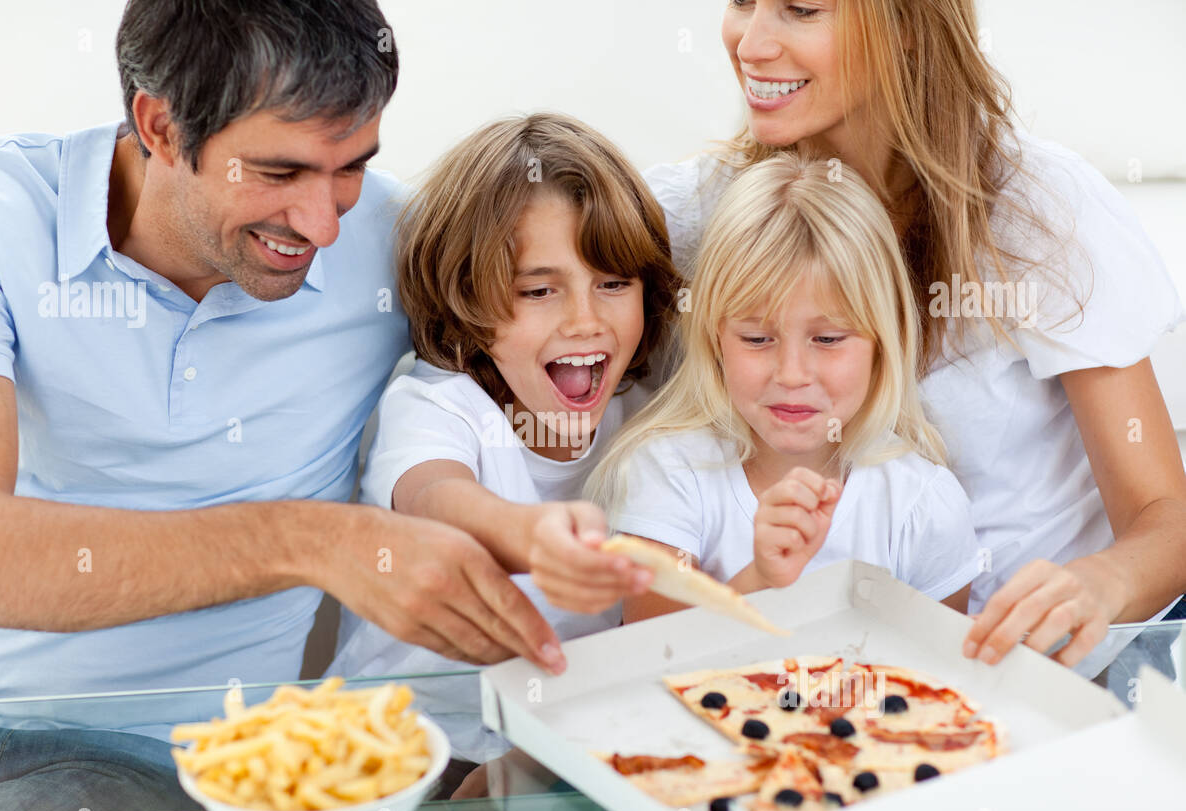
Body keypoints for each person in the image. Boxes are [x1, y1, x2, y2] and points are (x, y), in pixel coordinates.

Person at [0, 0, 561, 811]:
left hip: (261, 770)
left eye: (350, 166)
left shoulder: (397, 237)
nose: (322, 223)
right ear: (160, 126)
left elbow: (616, 256)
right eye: (278, 173)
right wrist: (315, 543)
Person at [641, 0, 1186, 689]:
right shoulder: (710, 212)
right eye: (742, 2)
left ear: (905, 26)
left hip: (1052, 680)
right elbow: (486, 316)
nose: (748, 44)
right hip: (816, 696)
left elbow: (1165, 517)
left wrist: (1100, 585)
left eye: (801, 9)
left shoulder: (1041, 215)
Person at [328, 114, 679, 761]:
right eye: (540, 290)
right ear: (467, 300)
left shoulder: (650, 417)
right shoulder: (439, 405)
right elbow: (434, 493)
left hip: (555, 752)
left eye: (613, 283)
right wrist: (529, 536)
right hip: (399, 745)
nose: (585, 320)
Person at [588, 153, 978, 622]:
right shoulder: (668, 473)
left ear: (882, 340)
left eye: (828, 339)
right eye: (757, 339)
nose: (792, 374)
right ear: (716, 338)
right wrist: (760, 581)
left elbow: (941, 681)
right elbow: (653, 662)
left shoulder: (924, 505)